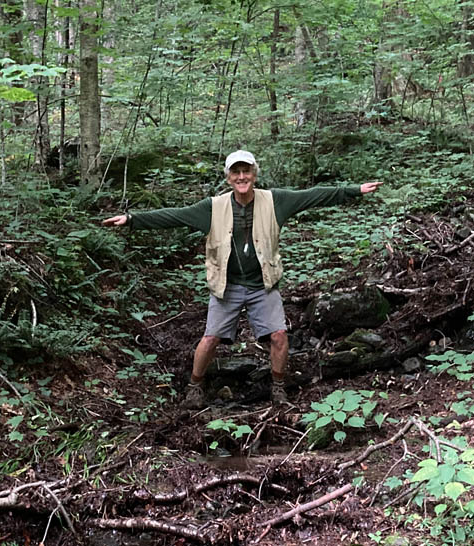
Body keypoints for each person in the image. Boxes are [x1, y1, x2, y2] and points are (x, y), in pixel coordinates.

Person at [103, 149, 381, 407]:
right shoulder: (212, 207)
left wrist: (353, 190)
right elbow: (174, 216)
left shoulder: (275, 201)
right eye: (235, 172)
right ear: (228, 177)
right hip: (227, 285)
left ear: (254, 173)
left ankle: (278, 386)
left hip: (263, 283)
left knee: (279, 335)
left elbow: (313, 195)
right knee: (210, 339)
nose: (241, 177)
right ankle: (195, 385)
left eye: (246, 171)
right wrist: (132, 219)